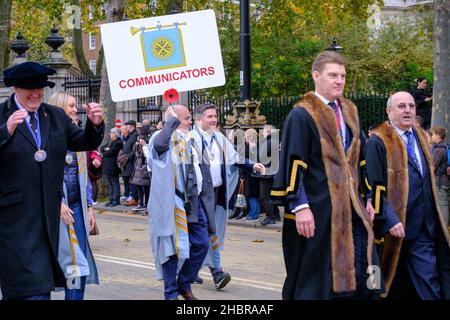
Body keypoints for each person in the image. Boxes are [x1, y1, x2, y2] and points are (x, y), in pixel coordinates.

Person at [271, 51, 381, 299]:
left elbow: (360, 160)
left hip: (352, 208)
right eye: (333, 75)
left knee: (365, 265)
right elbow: (294, 161)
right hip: (319, 206)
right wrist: (300, 207)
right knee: (317, 274)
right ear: (316, 76)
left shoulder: (350, 112)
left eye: (342, 75)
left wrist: (368, 197)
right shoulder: (302, 114)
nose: (339, 80)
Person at [0, 61, 104, 300]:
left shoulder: (54, 116)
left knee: (38, 289)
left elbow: (82, 141)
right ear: (16, 88)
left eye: (41, 89)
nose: (37, 94)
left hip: (48, 219)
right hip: (14, 221)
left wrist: (95, 124)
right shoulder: (1, 115)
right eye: (30, 89)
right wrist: (5, 131)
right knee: (27, 290)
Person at [365, 91, 450, 299]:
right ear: (389, 111)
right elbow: (374, 186)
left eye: (411, 106)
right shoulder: (378, 141)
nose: (408, 111)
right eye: (401, 106)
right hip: (391, 229)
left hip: (423, 230)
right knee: (386, 285)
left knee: (429, 285)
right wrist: (390, 219)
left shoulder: (421, 136)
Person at [191, 103, 265, 290]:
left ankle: (192, 269)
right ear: (198, 119)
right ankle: (216, 272)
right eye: (209, 116)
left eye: (215, 116)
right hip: (197, 197)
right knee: (206, 234)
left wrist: (251, 165)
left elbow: (234, 157)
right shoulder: (189, 139)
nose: (214, 119)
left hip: (217, 195)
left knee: (211, 233)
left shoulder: (218, 138)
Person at [147, 105, 214, 300]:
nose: (190, 121)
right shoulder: (160, 138)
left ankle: (184, 282)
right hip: (172, 203)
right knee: (171, 250)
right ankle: (171, 293)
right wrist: (170, 122)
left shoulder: (189, 140)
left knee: (202, 243)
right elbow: (158, 149)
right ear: (173, 121)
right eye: (185, 118)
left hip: (193, 201)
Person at [48, 91, 100, 300]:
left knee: (79, 263)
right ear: (59, 107)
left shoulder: (78, 136)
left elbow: (85, 178)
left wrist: (89, 208)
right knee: (59, 263)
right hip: (55, 209)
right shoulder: (48, 136)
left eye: (75, 105)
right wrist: (57, 202)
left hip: (76, 208)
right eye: (70, 105)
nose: (75, 109)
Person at [258, 124, 281, 225]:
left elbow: (262, 156)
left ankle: (270, 217)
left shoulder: (269, 142)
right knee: (272, 195)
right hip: (272, 172)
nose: (262, 133)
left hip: (267, 173)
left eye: (263, 131)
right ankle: (276, 214)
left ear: (268, 132)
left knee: (266, 196)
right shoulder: (274, 141)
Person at [430, 126, 449, 226]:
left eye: (433, 134)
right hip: (445, 181)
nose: (431, 137)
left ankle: (444, 227)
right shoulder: (445, 146)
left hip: (441, 183)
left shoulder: (439, 150)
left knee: (443, 205)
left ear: (438, 136)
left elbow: (432, 166)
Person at [101, 128, 123, 207]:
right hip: (107, 165)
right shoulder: (110, 141)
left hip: (113, 165)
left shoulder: (118, 142)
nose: (110, 134)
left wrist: (106, 151)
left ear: (115, 134)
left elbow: (110, 153)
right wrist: (105, 149)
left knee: (115, 182)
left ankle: (116, 200)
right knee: (110, 183)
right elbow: (101, 148)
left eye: (111, 133)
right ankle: (111, 199)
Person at [121, 120, 139, 206]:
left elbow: (135, 148)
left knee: (132, 180)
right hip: (127, 161)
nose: (127, 128)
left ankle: (135, 198)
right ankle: (133, 197)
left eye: (128, 126)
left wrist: (128, 157)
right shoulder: (132, 135)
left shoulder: (135, 135)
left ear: (132, 126)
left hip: (131, 161)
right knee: (129, 179)